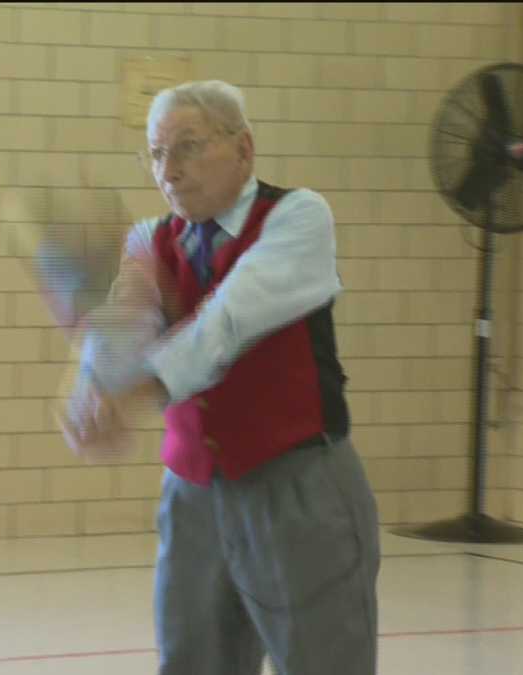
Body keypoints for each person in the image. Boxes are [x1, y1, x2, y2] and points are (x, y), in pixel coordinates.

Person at [59, 79, 380, 675]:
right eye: (155, 154)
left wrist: (133, 393)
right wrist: (92, 390)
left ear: (244, 149)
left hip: (299, 488)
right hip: (191, 499)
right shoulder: (150, 239)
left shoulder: (298, 218)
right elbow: (127, 323)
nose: (168, 171)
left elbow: (225, 324)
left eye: (187, 146)